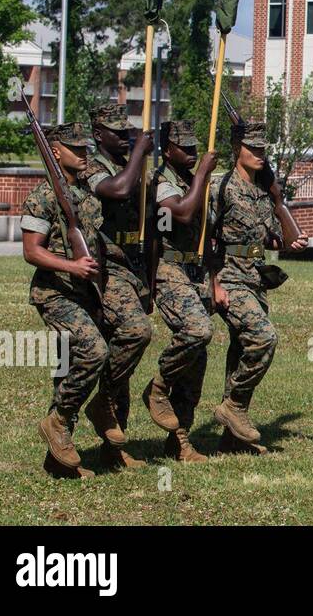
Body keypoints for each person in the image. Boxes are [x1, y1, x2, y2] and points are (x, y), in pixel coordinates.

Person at [208, 120, 308, 449]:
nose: (259, 154)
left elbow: (266, 238)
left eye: (263, 149)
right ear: (237, 149)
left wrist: (289, 241)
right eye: (253, 148)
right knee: (264, 337)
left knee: (241, 348)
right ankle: (234, 405)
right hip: (229, 276)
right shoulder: (221, 187)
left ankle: (232, 436)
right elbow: (205, 239)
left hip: (255, 277)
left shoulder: (263, 191)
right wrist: (214, 283)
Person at [20, 122, 107, 478]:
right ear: (55, 152)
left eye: (86, 148)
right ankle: (57, 421)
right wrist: (72, 266)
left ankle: (59, 460)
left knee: (67, 370)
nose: (84, 154)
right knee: (95, 352)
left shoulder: (85, 193)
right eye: (76, 149)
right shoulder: (42, 197)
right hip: (54, 293)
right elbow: (31, 251)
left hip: (85, 292)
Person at [85, 102, 156, 468]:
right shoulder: (93, 167)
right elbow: (119, 190)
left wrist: (150, 281)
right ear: (99, 134)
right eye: (118, 132)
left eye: (128, 131)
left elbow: (151, 220)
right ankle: (100, 403)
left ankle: (114, 449)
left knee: (123, 355)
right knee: (136, 332)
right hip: (105, 267)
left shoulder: (132, 165)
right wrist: (140, 152)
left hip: (133, 267)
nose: (126, 136)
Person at [145, 121, 218, 461]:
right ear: (167, 150)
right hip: (169, 268)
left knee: (196, 361)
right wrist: (203, 172)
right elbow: (184, 214)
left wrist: (214, 279)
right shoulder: (161, 181)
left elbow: (209, 233)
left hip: (197, 270)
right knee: (197, 331)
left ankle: (180, 441)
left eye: (194, 148)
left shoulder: (194, 181)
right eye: (184, 148)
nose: (191, 153)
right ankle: (158, 385)